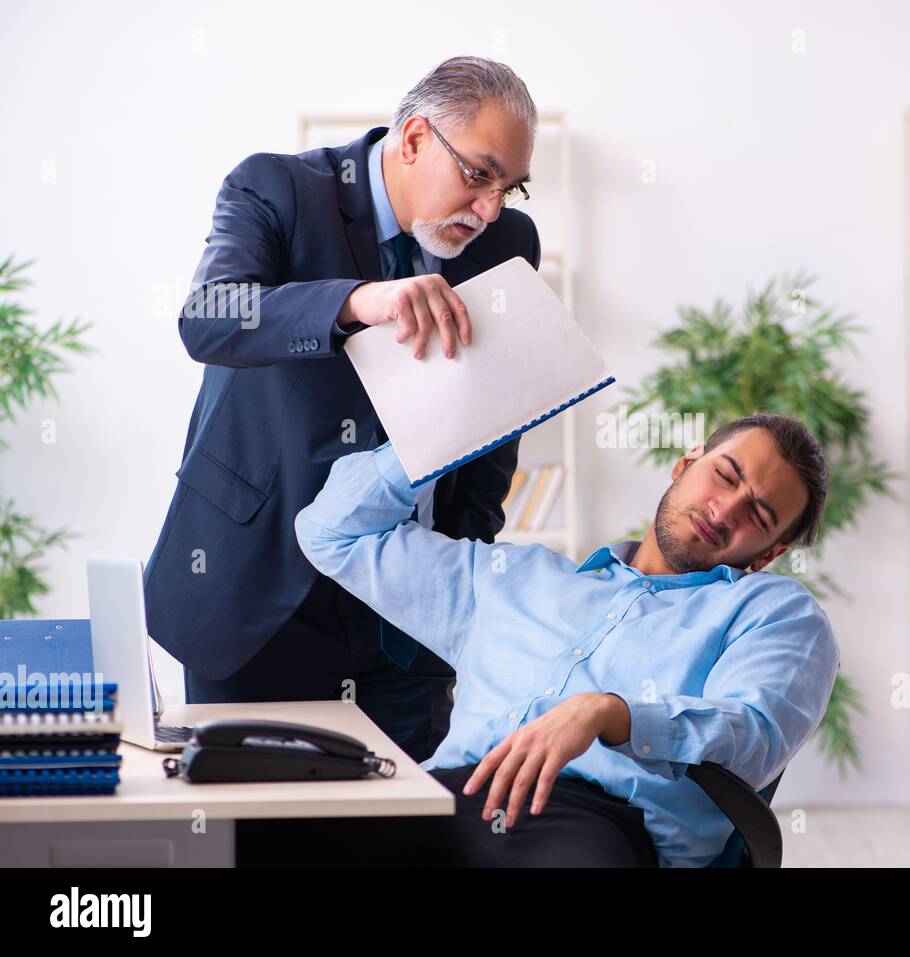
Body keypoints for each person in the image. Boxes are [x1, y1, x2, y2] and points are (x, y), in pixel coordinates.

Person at [143, 57, 539, 765]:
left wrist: (461, 559)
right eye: (479, 176)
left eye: (510, 188)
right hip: (259, 591)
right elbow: (209, 316)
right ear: (414, 137)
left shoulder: (510, 245)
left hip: (407, 607)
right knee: (250, 831)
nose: (491, 210)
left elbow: (495, 420)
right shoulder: (279, 188)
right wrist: (355, 302)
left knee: (400, 830)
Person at [243, 412, 839, 868]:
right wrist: (455, 421)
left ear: (770, 553)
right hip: (446, 792)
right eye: (724, 476)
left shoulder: (775, 612)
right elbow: (332, 533)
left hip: (593, 821)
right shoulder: (513, 578)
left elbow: (755, 734)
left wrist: (612, 713)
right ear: (686, 464)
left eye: (758, 516)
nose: (725, 508)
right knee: (250, 838)